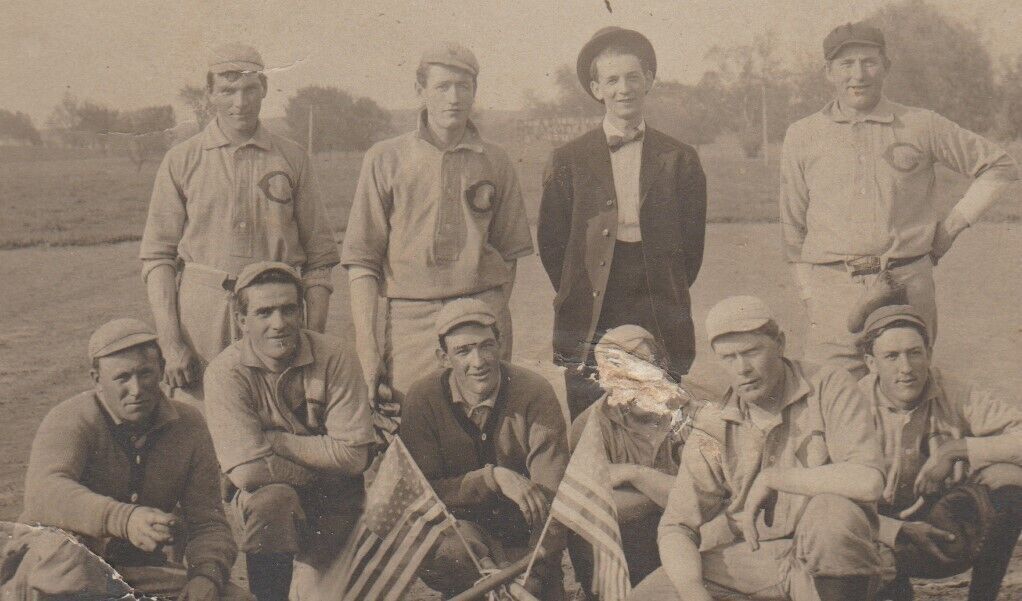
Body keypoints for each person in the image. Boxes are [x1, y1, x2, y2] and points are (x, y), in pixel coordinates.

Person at [780, 21, 1018, 379]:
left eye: (869, 62)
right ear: (828, 71)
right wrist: (811, 296)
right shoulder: (802, 134)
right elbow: (793, 226)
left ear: (886, 66)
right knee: (830, 401)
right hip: (832, 289)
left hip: (906, 282)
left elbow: (1000, 166)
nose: (858, 75)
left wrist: (951, 227)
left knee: (907, 394)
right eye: (846, 64)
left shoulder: (920, 124)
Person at [631, 296, 889, 601]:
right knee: (651, 595)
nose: (743, 369)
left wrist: (774, 478)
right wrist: (692, 591)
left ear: (779, 343)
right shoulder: (713, 421)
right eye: (729, 357)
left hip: (830, 559)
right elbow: (677, 525)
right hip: (757, 558)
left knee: (833, 512)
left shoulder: (828, 385)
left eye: (752, 352)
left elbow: (868, 480)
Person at [140, 43, 340, 403]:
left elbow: (321, 259)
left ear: (263, 88)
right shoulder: (181, 159)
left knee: (276, 420)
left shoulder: (292, 157)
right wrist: (171, 344)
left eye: (250, 90)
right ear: (210, 93)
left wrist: (312, 341)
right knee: (201, 424)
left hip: (274, 313)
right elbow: (157, 259)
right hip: (202, 316)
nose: (240, 102)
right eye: (228, 91)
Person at [341, 41, 534, 409]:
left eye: (464, 87)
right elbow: (362, 261)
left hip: (480, 311)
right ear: (420, 90)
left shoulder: (496, 160)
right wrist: (368, 349)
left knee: (488, 424)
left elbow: (510, 254)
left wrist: (490, 314)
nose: (454, 97)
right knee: (412, 424)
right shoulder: (385, 158)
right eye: (443, 86)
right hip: (411, 319)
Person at [538, 27, 707, 419]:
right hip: (594, 292)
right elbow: (553, 246)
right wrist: (581, 287)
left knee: (659, 404)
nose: (624, 88)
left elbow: (691, 249)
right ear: (596, 88)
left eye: (633, 77)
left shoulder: (679, 158)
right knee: (592, 403)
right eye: (612, 80)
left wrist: (666, 283)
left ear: (649, 80)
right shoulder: (568, 159)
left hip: (655, 289)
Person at [17, 318, 249, 600]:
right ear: (96, 379)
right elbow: (44, 492)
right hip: (54, 570)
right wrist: (125, 519)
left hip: (131, 570)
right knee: (70, 574)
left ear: (162, 370)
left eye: (146, 373)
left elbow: (208, 522)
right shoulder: (70, 419)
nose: (136, 389)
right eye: (122, 378)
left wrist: (207, 575)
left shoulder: (189, 426)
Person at [202, 262, 374, 601]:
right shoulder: (225, 371)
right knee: (272, 500)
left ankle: (314, 576)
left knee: (321, 597)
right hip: (276, 493)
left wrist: (273, 440)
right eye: (264, 312)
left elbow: (354, 457)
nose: (278, 324)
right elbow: (248, 473)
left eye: (288, 309)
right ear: (242, 322)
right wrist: (320, 460)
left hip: (336, 500)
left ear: (303, 313)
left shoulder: (336, 356)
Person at [401, 298, 569, 600]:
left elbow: (554, 497)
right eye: (463, 351)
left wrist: (532, 573)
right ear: (443, 357)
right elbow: (422, 494)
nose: (478, 361)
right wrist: (493, 479)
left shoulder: (535, 392)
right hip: (465, 547)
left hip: (526, 547)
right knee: (448, 551)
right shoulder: (422, 399)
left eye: (486, 346)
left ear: (501, 345)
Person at [855, 304, 1022, 601]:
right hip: (876, 531)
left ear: (929, 354)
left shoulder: (956, 391)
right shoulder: (851, 403)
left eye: (914, 353)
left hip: (942, 529)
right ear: (870, 362)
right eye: (891, 357)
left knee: (1010, 480)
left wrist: (957, 450)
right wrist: (894, 531)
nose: (906, 368)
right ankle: (890, 584)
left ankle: (983, 597)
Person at [567, 325, 724, 598]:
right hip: (634, 547)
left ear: (661, 365)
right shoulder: (591, 425)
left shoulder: (704, 408)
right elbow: (594, 507)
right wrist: (678, 493)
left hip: (700, 538)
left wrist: (636, 476)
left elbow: (719, 499)